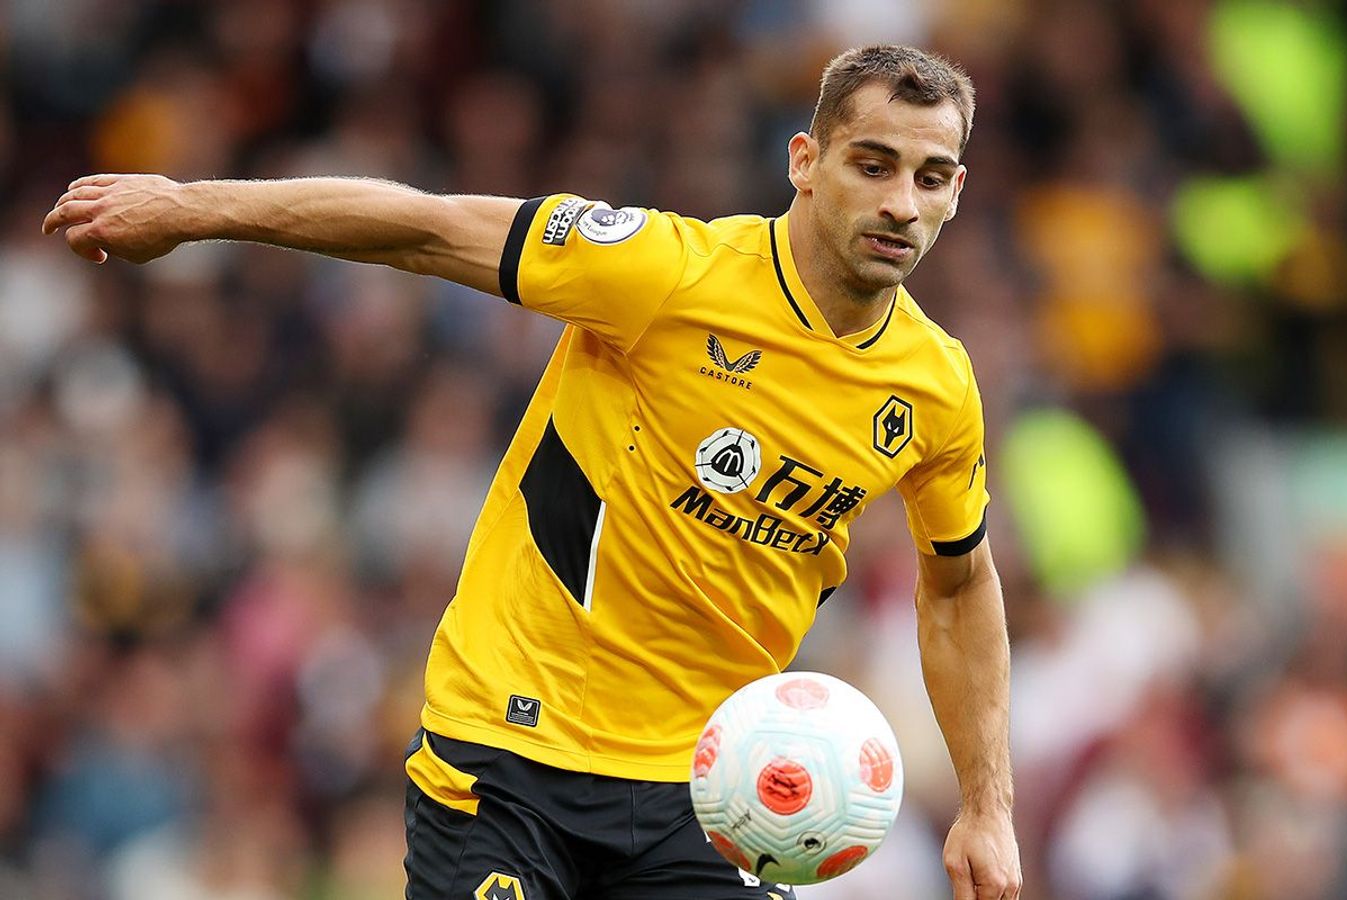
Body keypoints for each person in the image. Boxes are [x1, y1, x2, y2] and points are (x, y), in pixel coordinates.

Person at [43, 44, 1022, 900]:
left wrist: (988, 805)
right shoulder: (665, 273)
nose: (902, 203)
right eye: (873, 164)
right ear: (804, 162)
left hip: (710, 789)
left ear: (957, 190)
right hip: (511, 753)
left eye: (931, 177)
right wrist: (187, 208)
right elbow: (423, 227)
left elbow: (959, 586)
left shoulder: (936, 388)